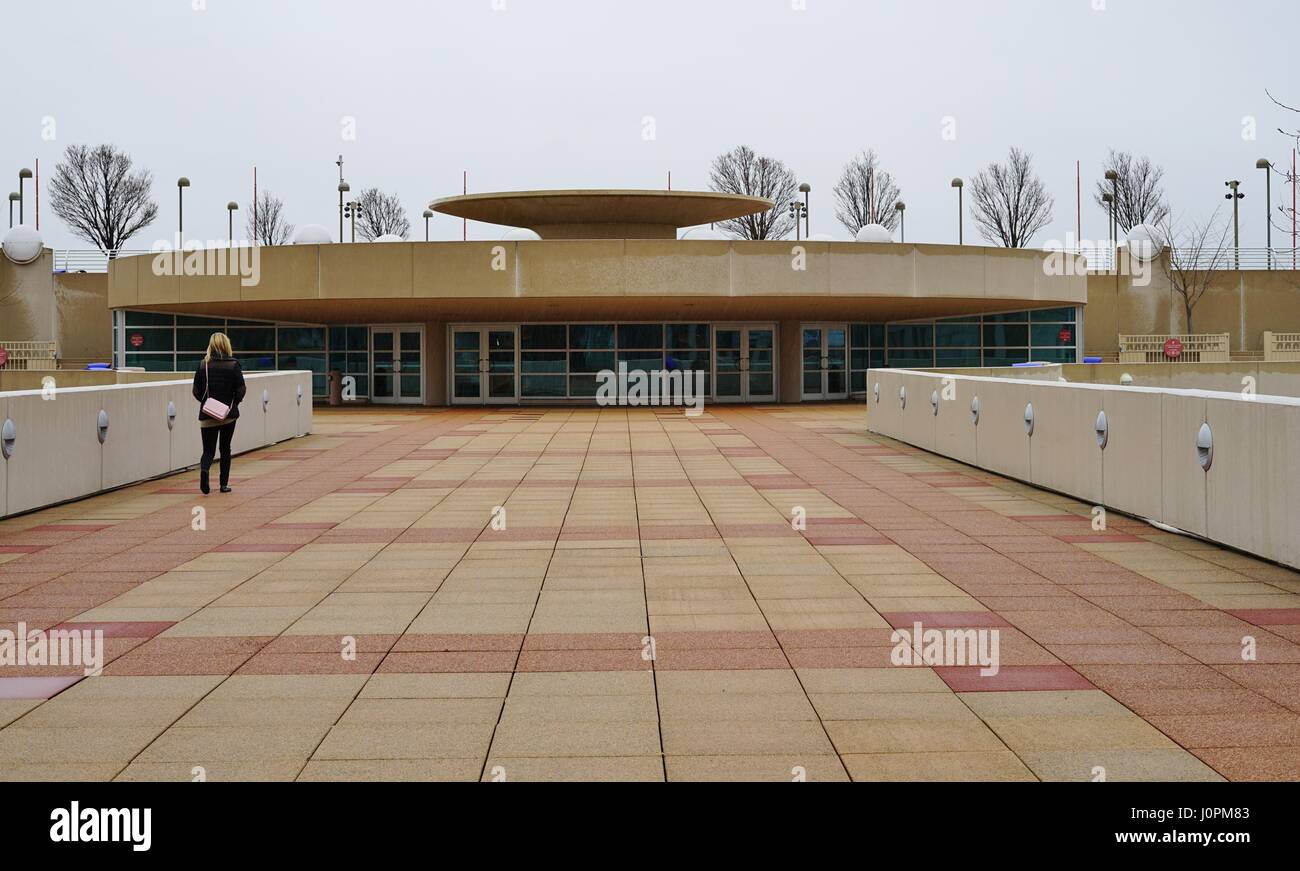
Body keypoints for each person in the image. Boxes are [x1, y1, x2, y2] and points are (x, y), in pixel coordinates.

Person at [191, 332, 246, 494]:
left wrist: (207, 403)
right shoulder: (234, 365)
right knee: (225, 448)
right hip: (228, 415)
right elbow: (241, 390)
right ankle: (223, 484)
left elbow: (196, 390)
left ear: (211, 346)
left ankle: (205, 470)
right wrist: (233, 403)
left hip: (207, 414)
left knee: (208, 450)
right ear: (226, 345)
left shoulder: (203, 365)